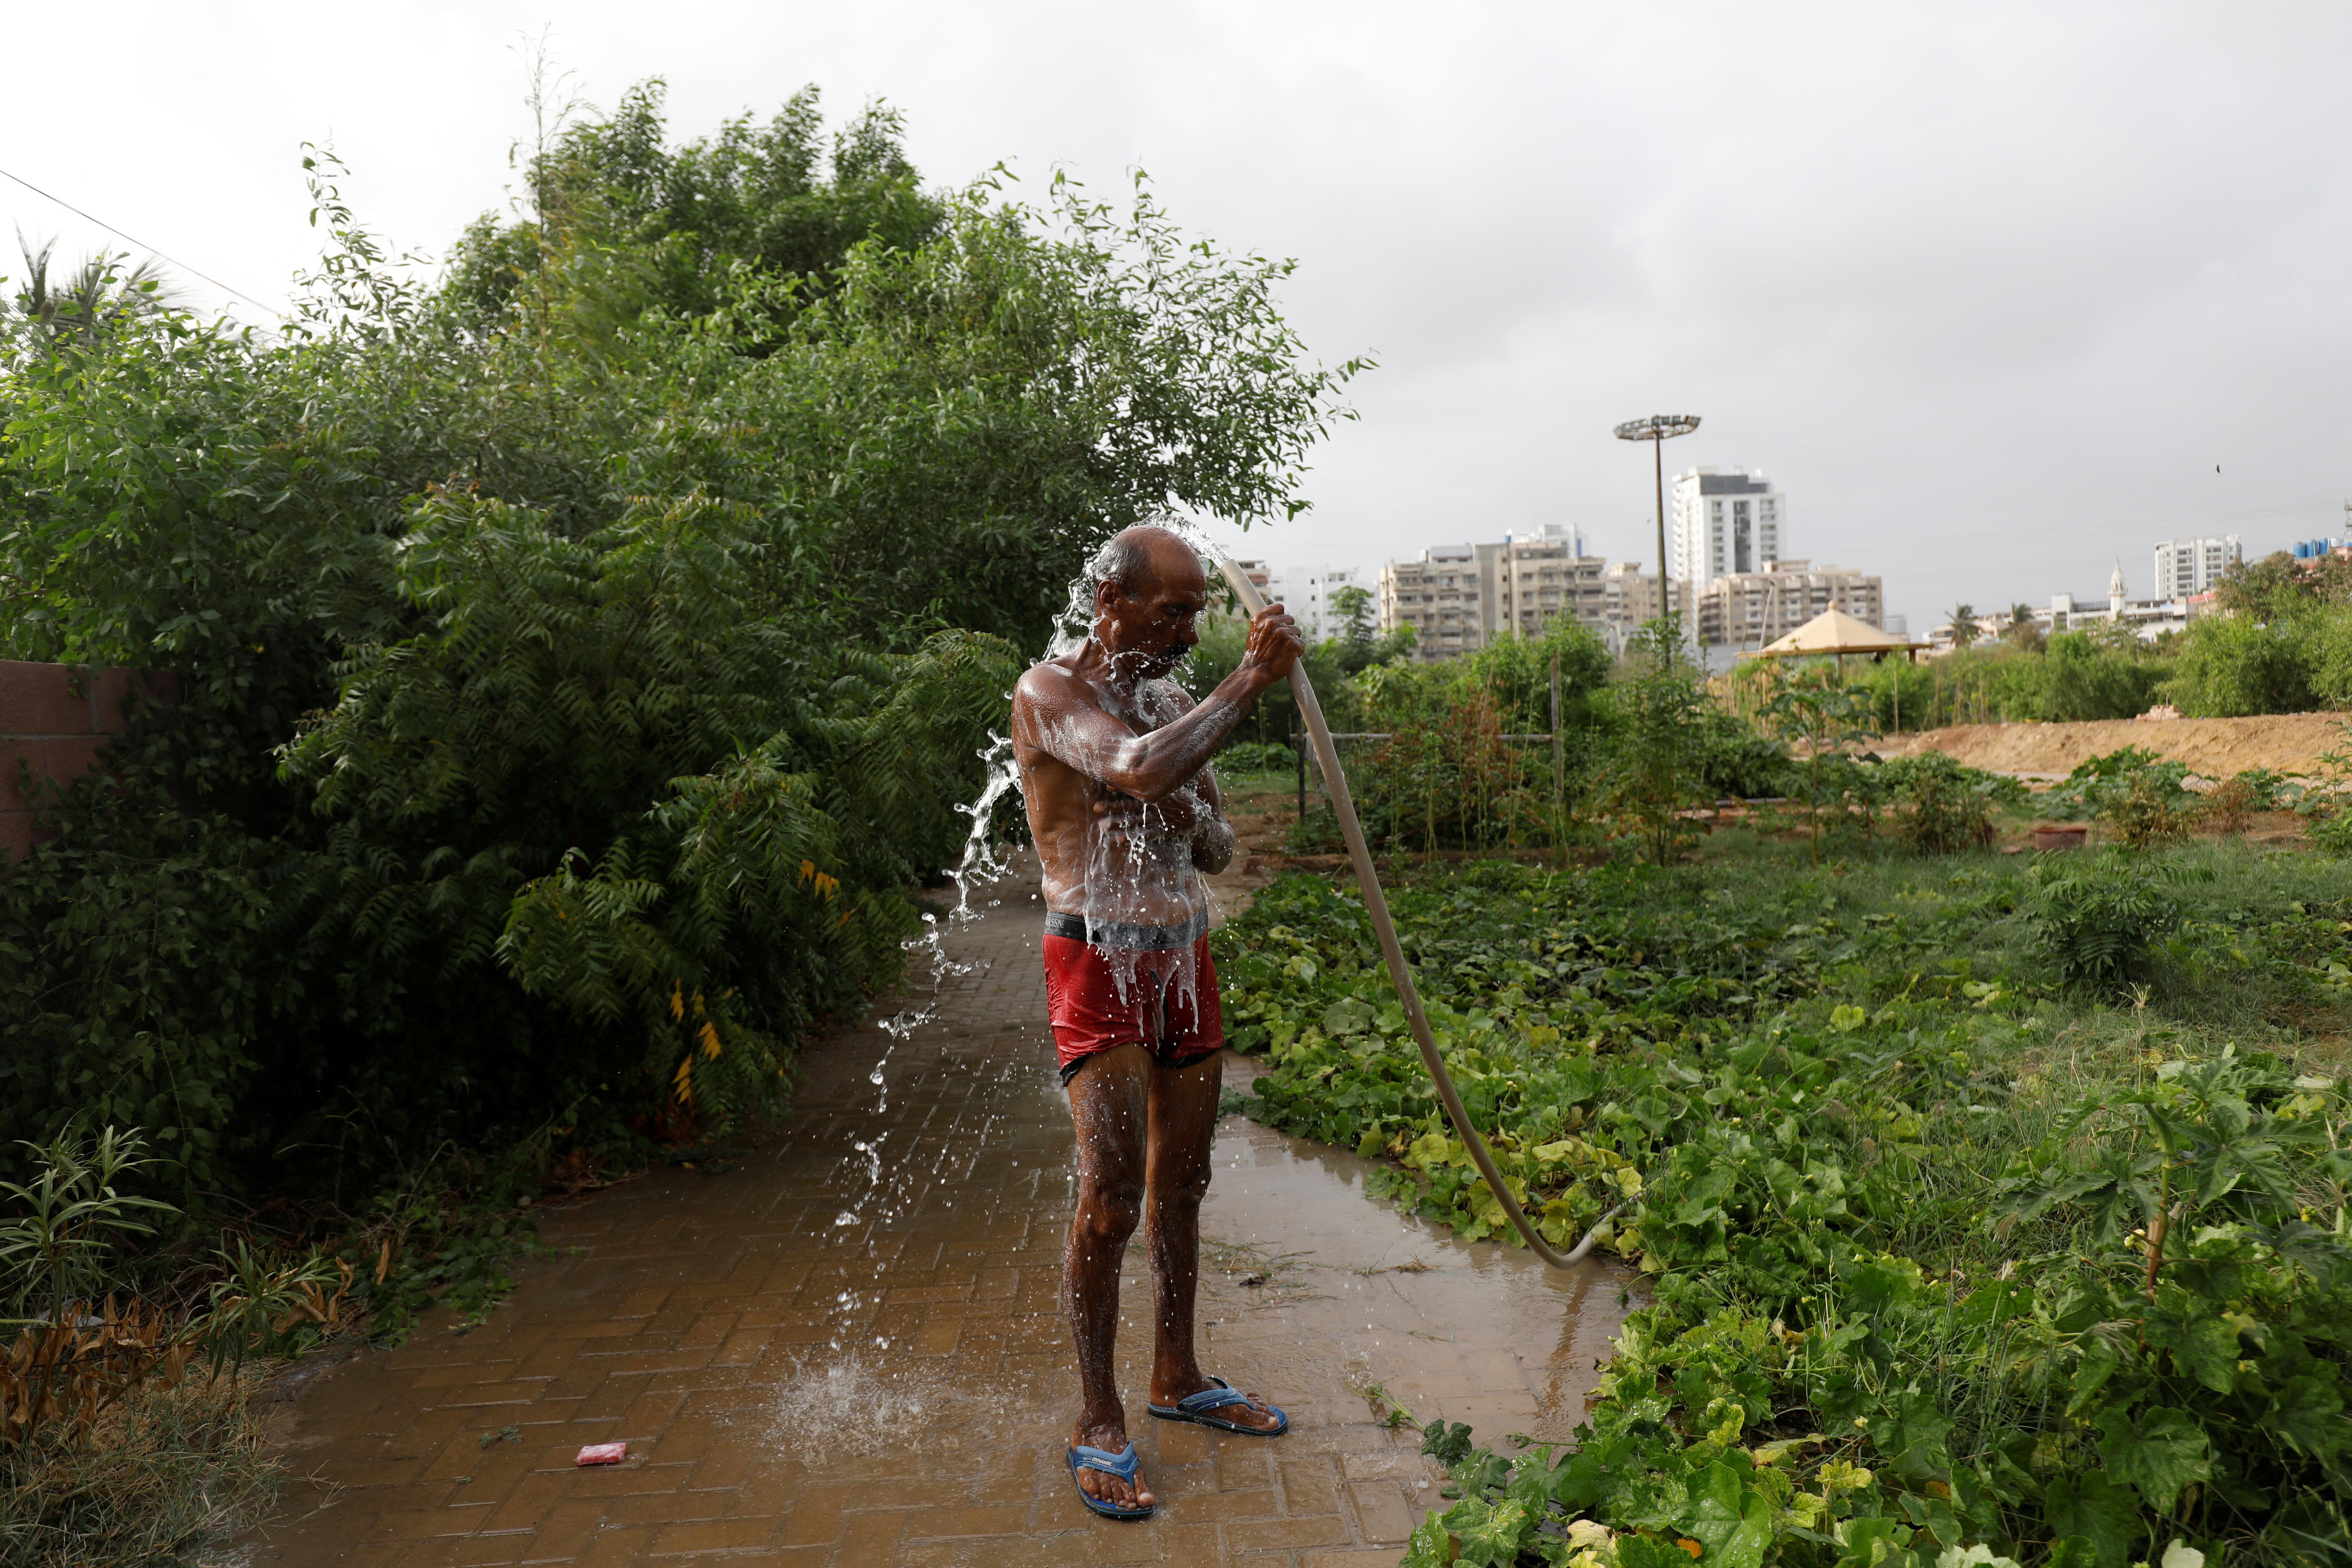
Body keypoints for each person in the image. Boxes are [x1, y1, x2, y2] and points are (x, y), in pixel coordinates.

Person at [1009, 523, 1305, 1520]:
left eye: (1196, 613)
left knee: (1183, 1181)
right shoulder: (1051, 692)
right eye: (1170, 610)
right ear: (1111, 600)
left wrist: (1194, 818)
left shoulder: (1176, 699)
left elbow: (1216, 847)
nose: (1186, 633)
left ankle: (1175, 1374)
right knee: (1110, 1199)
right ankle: (1098, 1417)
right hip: (1094, 956)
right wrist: (1245, 686)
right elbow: (1131, 768)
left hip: (1183, 956)